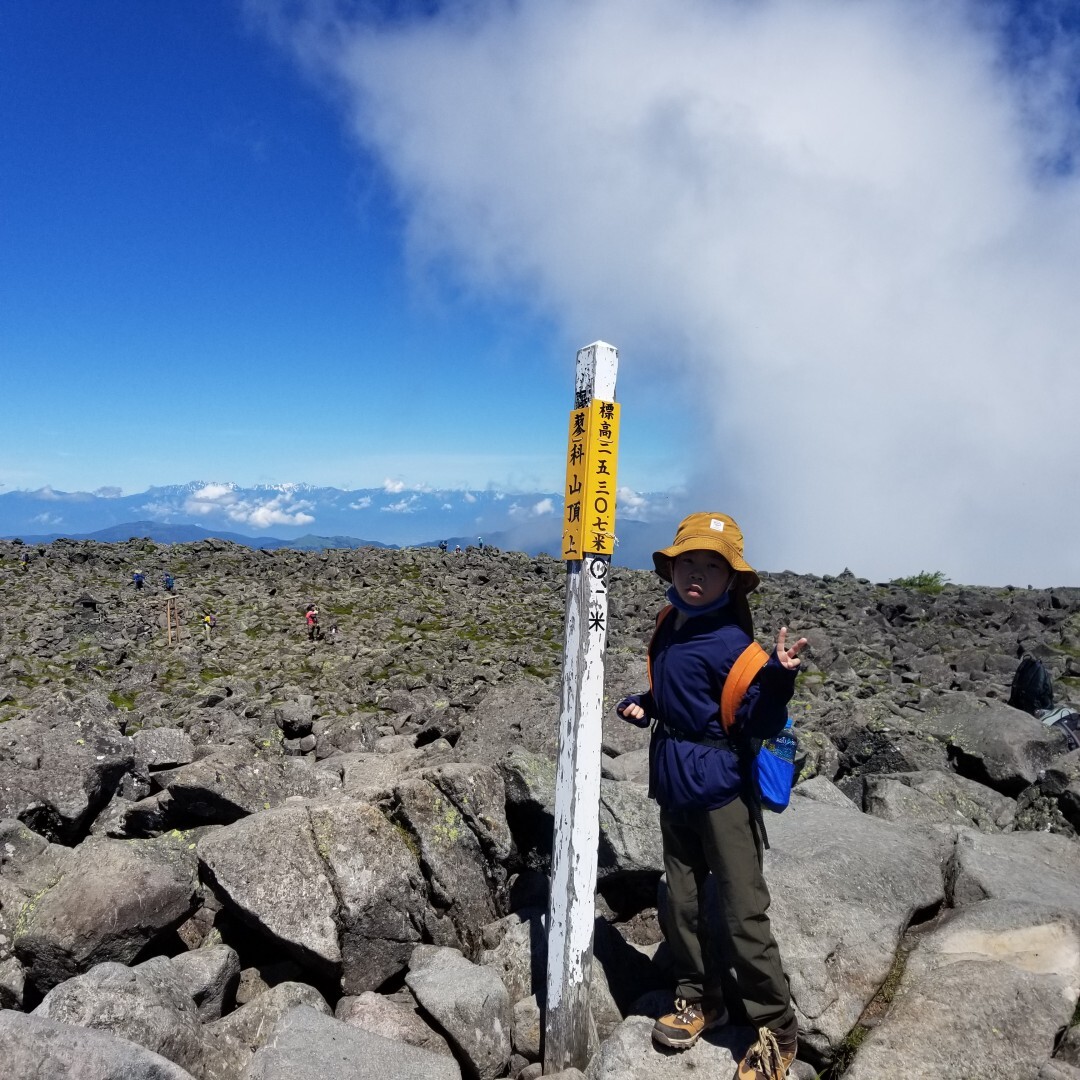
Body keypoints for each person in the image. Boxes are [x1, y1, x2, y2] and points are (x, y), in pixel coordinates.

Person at [615, 512, 807, 1080]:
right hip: (676, 786)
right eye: (688, 562)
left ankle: (777, 1029)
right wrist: (647, 704)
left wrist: (779, 678)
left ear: (732, 581)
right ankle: (701, 998)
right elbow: (681, 694)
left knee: (744, 912)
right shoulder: (671, 623)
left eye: (711, 566)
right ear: (672, 568)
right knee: (681, 902)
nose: (696, 573)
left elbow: (758, 721)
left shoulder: (738, 649)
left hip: (722, 793)